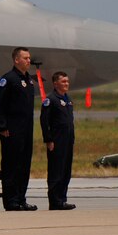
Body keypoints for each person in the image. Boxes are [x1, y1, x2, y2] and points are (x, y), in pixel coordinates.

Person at [0, 47, 37, 211]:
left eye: (29, 58)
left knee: (24, 164)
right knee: (12, 165)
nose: (28, 61)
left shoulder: (28, 80)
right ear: (16, 60)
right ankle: (11, 201)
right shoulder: (9, 79)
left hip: (26, 130)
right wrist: (2, 126)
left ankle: (21, 198)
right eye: (25, 58)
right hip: (11, 130)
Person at [40, 71, 75, 211]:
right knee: (56, 171)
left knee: (66, 171)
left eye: (67, 81)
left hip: (68, 140)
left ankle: (62, 199)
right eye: (63, 82)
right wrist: (48, 139)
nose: (66, 84)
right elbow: (44, 121)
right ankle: (55, 201)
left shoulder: (67, 99)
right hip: (56, 141)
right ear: (55, 83)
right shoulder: (51, 100)